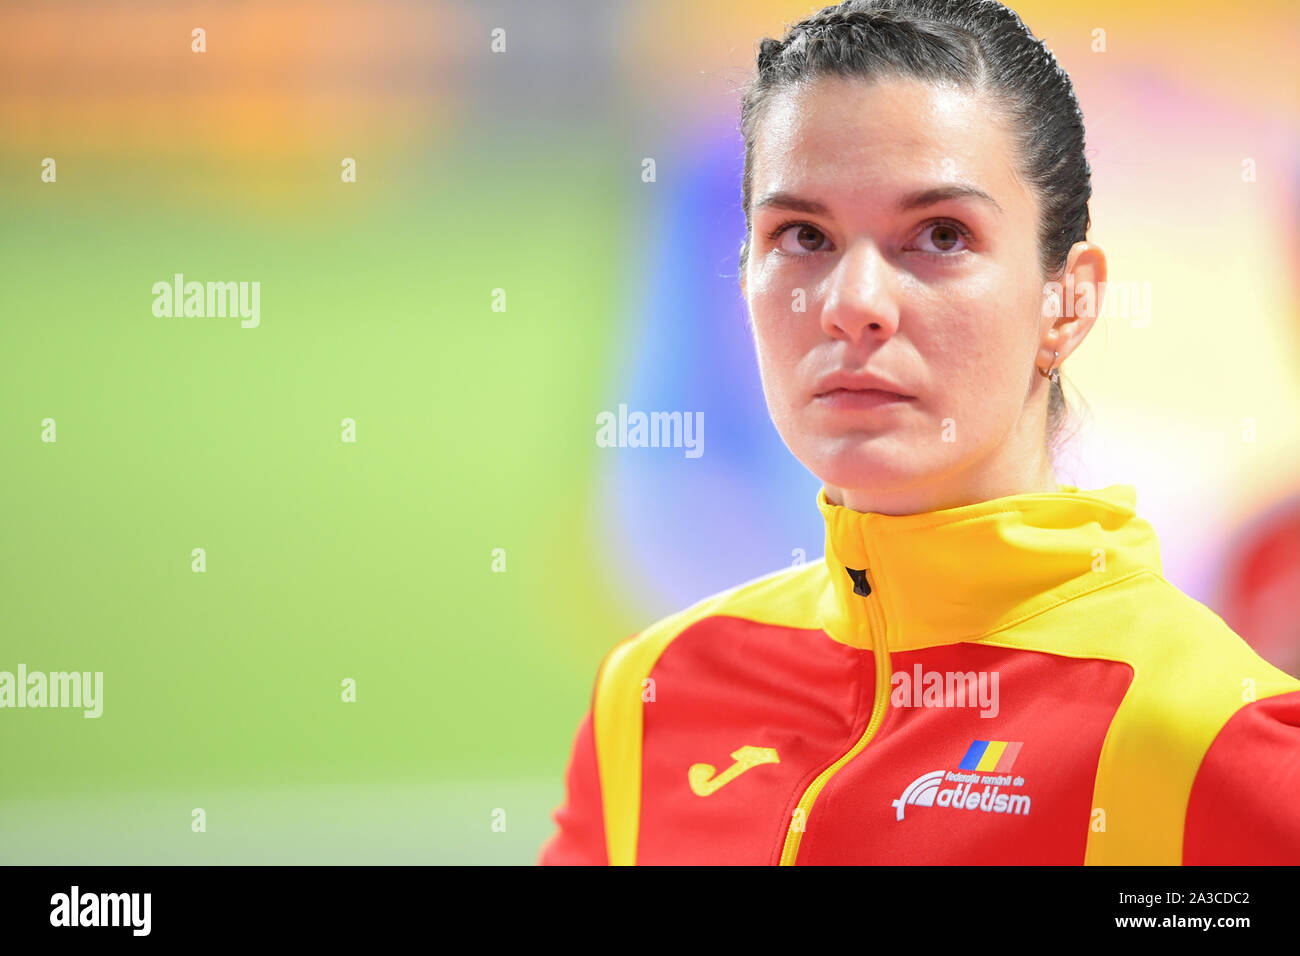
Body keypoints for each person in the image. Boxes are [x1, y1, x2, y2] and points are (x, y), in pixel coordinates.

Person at [538, 0, 1300, 865]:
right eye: (803, 236)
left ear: (1070, 298)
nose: (853, 303)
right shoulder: (650, 699)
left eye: (941, 235)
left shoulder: (1202, 735)